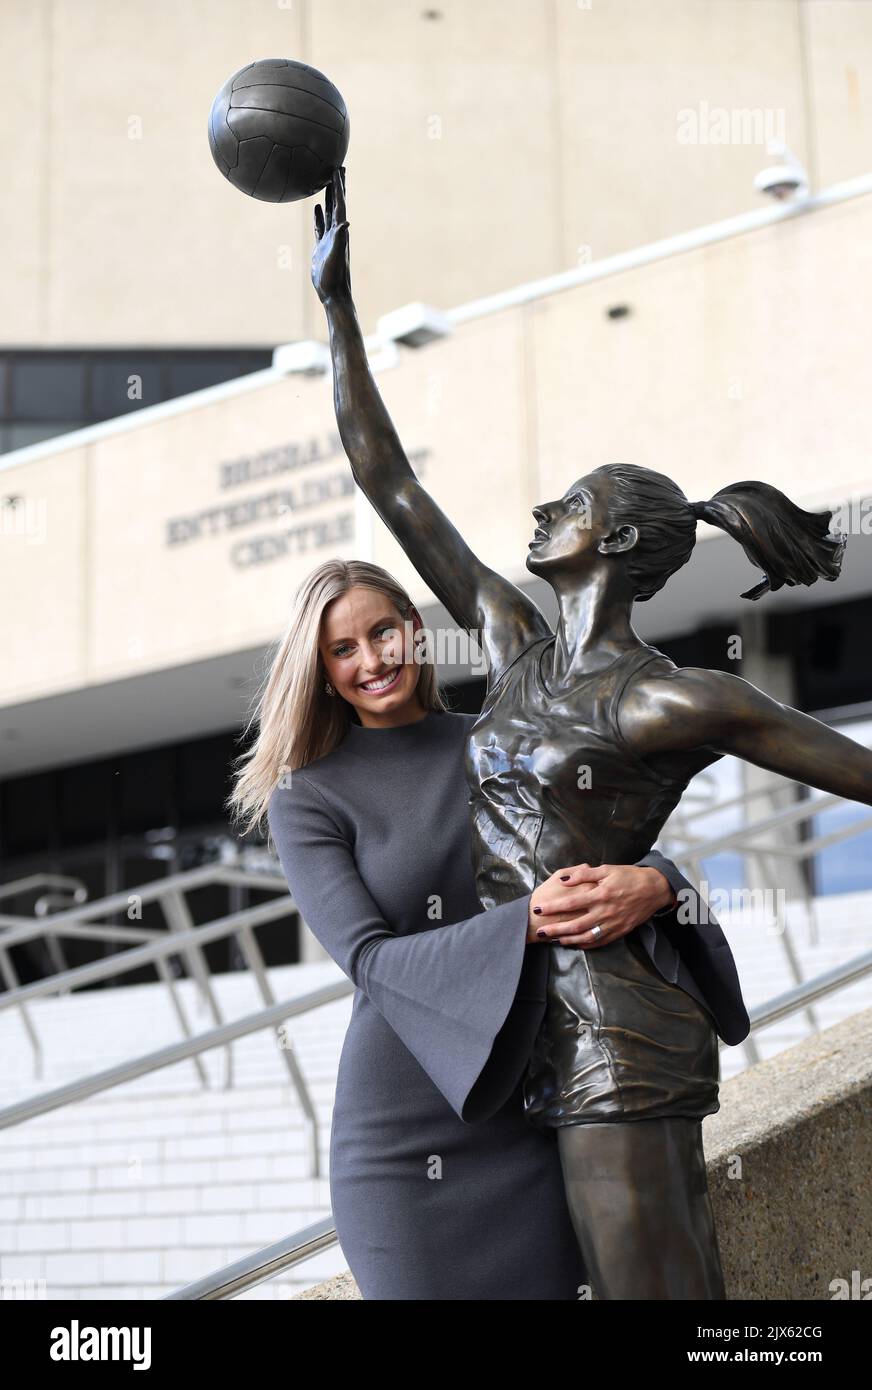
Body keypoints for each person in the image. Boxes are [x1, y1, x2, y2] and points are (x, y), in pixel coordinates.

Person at [310, 167, 870, 1299]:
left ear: (610, 536)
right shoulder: (512, 637)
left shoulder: (671, 699)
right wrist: (335, 314)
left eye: (561, 504)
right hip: (527, 1034)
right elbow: (390, 482)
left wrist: (663, 880)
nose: (536, 514)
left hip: (619, 1030)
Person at [228, 558, 711, 1300]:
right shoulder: (307, 796)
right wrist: (530, 921)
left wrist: (660, 884)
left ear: (416, 631)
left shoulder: (500, 741)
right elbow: (369, 961)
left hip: (535, 1114)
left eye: (383, 631)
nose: (372, 660)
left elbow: (601, 851)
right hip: (406, 1142)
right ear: (322, 671)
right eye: (343, 649)